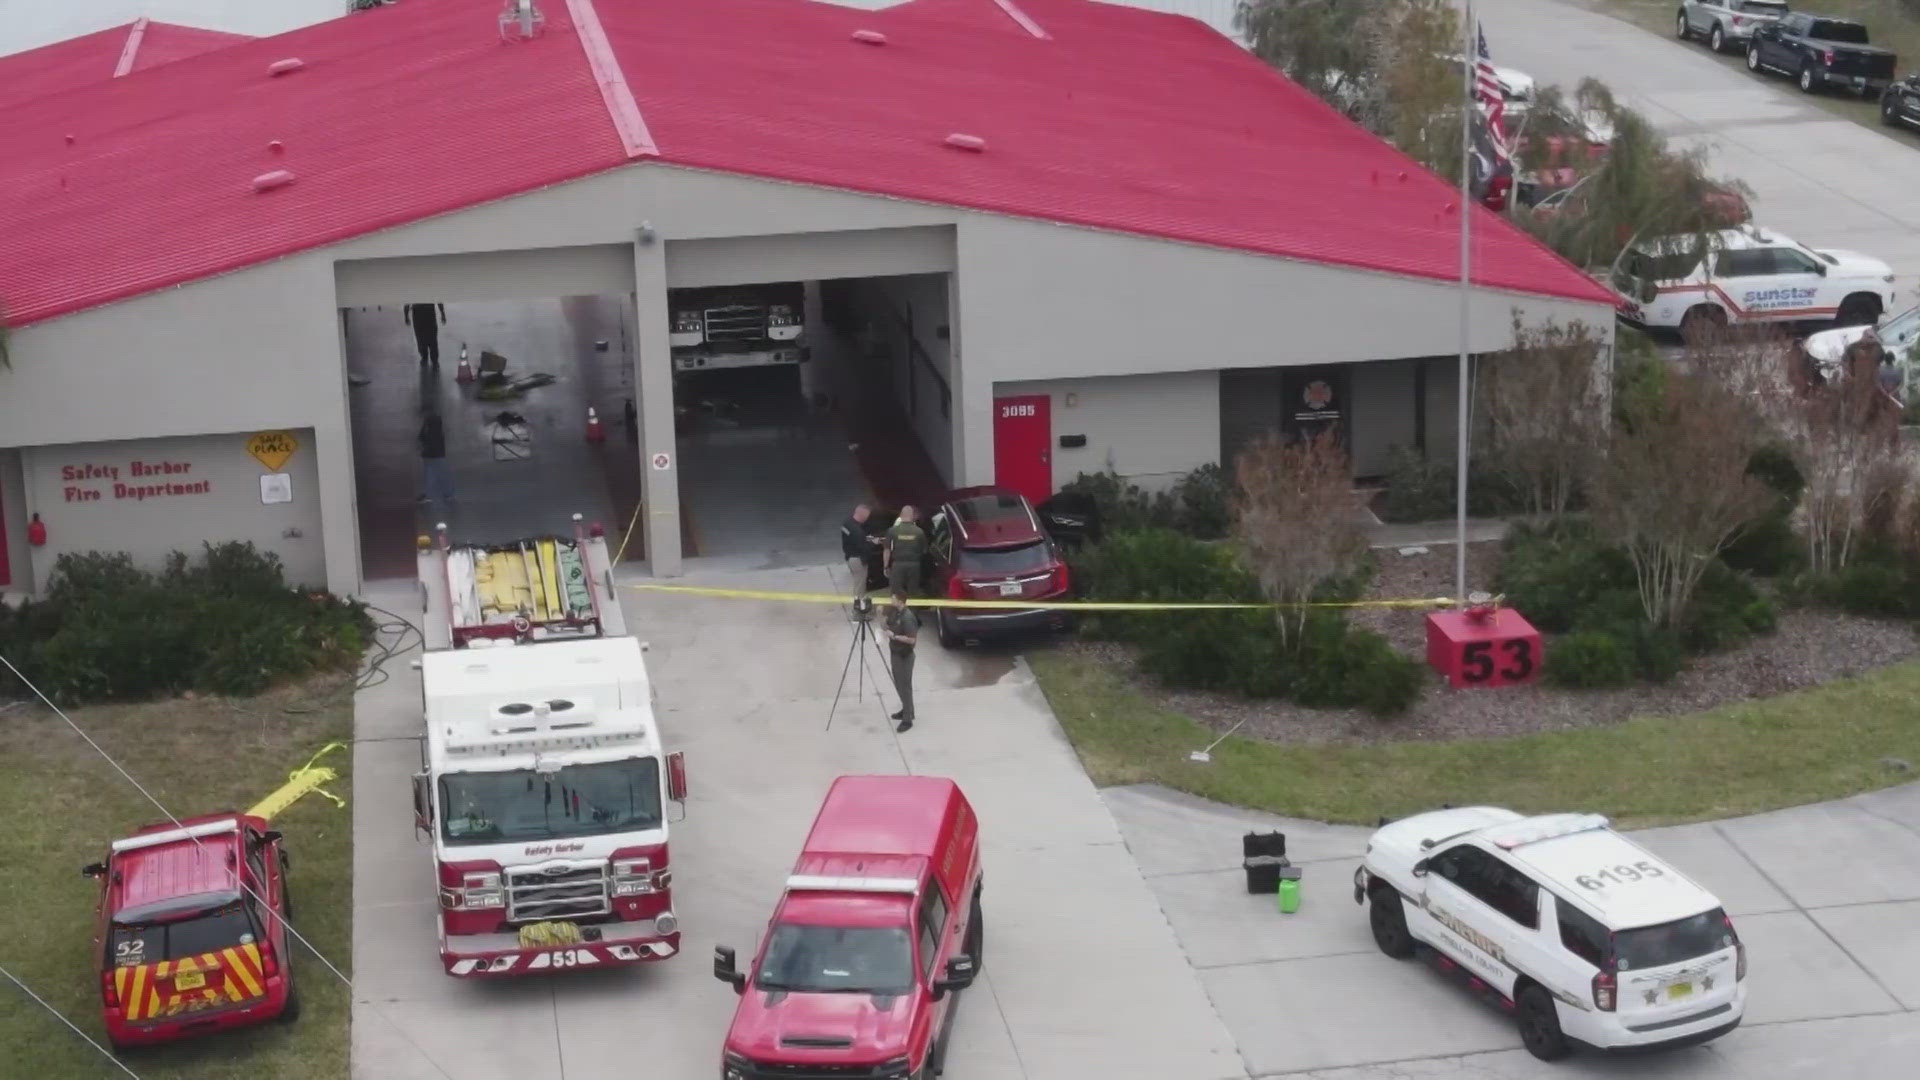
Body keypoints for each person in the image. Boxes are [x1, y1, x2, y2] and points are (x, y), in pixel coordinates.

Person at [884, 588, 918, 733]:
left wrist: (894, 637)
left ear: (899, 600)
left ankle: (907, 719)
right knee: (899, 684)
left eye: (893, 598)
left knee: (904, 686)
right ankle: (907, 710)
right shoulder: (895, 613)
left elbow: (911, 640)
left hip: (905, 655)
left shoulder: (907, 617)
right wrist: (880, 615)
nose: (891, 601)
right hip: (895, 653)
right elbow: (887, 625)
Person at [884, 505, 926, 597]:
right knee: (913, 591)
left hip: (897, 565)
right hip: (914, 565)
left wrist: (886, 566)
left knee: (896, 591)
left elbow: (887, 550)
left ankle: (897, 610)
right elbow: (924, 550)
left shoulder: (892, 531)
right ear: (912, 516)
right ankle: (912, 610)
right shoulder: (919, 532)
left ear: (901, 515)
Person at [840, 503, 878, 602]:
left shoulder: (847, 523)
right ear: (862, 515)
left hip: (849, 557)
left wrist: (864, 539)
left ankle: (857, 603)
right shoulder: (857, 531)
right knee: (860, 586)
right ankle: (859, 606)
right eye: (866, 516)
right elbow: (864, 548)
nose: (867, 519)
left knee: (857, 582)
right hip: (858, 560)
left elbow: (854, 539)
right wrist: (873, 543)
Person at [418, 412, 454, 505]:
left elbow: (420, 437)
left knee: (429, 476)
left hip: (429, 457)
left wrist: (424, 425)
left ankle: (428, 496)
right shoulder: (440, 434)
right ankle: (448, 495)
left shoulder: (428, 434)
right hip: (440, 456)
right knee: (443, 476)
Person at [405, 302, 447, 367]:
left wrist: (406, 316)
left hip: (418, 314)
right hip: (429, 313)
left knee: (420, 337)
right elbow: (439, 300)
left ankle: (425, 356)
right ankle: (433, 359)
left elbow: (407, 302)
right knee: (432, 337)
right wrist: (442, 313)